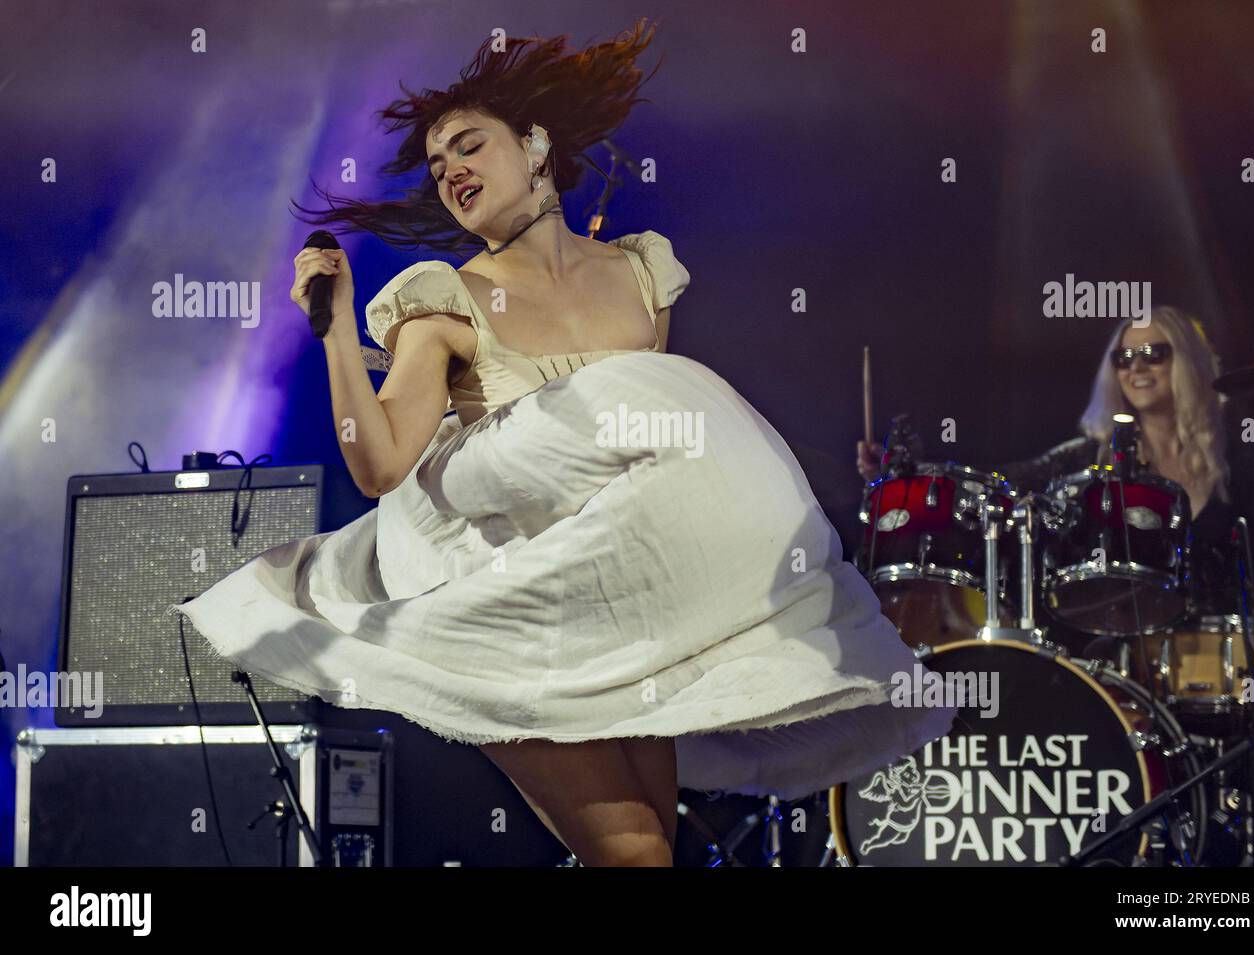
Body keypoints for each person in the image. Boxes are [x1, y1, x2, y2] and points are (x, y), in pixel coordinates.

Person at [170, 21, 954, 867]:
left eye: (468, 147)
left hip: (622, 615)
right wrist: (331, 336)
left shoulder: (642, 278)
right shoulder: (442, 302)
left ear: (537, 146)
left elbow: (659, 465)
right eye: (437, 168)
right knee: (636, 857)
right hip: (517, 614)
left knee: (652, 854)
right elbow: (380, 465)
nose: (452, 174)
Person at [857, 307, 1254, 625]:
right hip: (1124, 640)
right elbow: (1002, 481)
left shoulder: (1237, 450)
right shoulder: (1093, 455)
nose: (1137, 367)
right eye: (1124, 358)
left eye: (1153, 353)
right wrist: (909, 470)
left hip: (1227, 642)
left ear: (1188, 359)